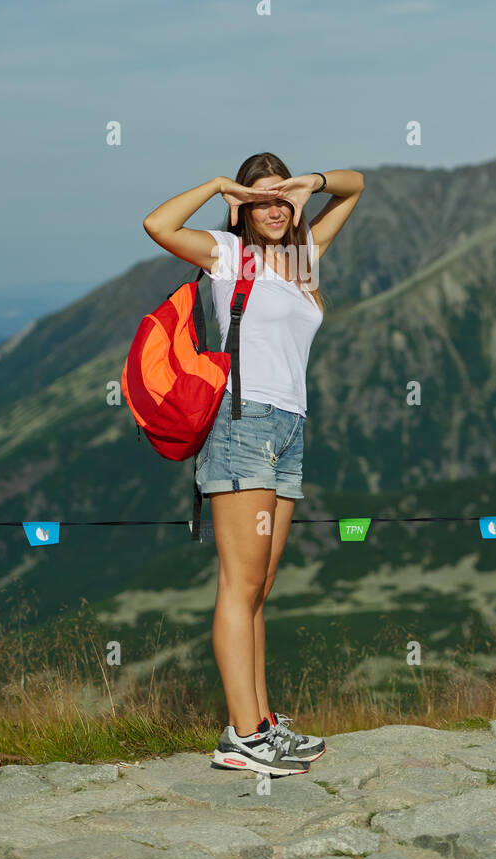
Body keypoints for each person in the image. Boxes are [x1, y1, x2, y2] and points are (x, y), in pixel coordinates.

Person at [143, 153, 364, 775]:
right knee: (239, 585)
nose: (273, 208)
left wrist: (309, 185)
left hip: (290, 426)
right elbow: (157, 225)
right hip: (243, 423)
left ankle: (262, 723)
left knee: (260, 586)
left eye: (280, 199)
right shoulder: (224, 252)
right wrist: (220, 188)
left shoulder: (300, 258)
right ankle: (242, 736)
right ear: (241, 205)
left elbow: (356, 187)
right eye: (259, 199)